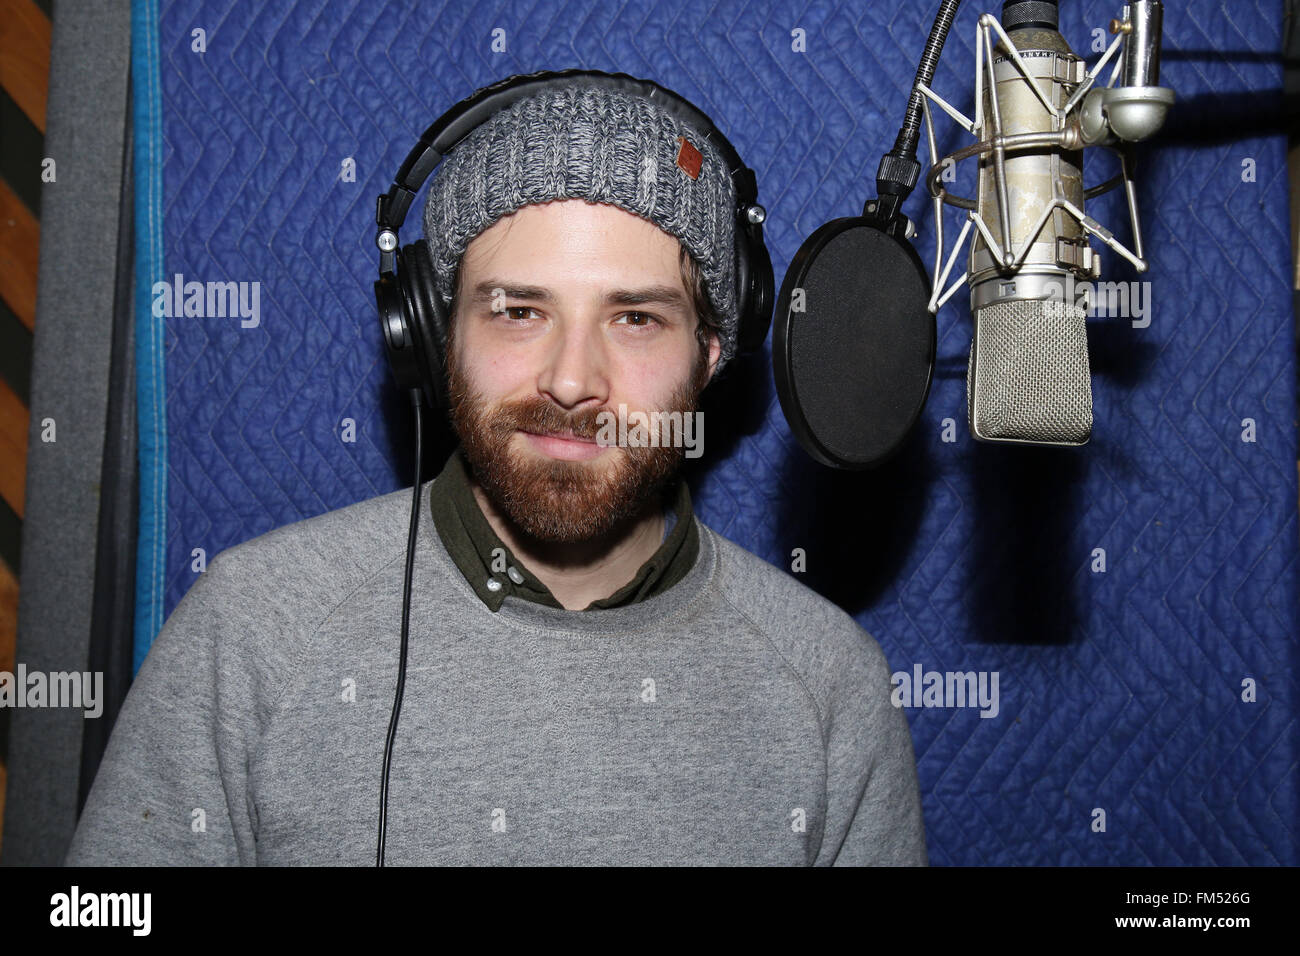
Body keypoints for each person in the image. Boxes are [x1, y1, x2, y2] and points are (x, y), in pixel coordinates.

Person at [65, 76, 927, 866]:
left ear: (710, 355)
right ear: (435, 337)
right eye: (519, 311)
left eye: (634, 318)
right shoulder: (252, 631)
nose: (572, 380)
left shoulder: (830, 692)